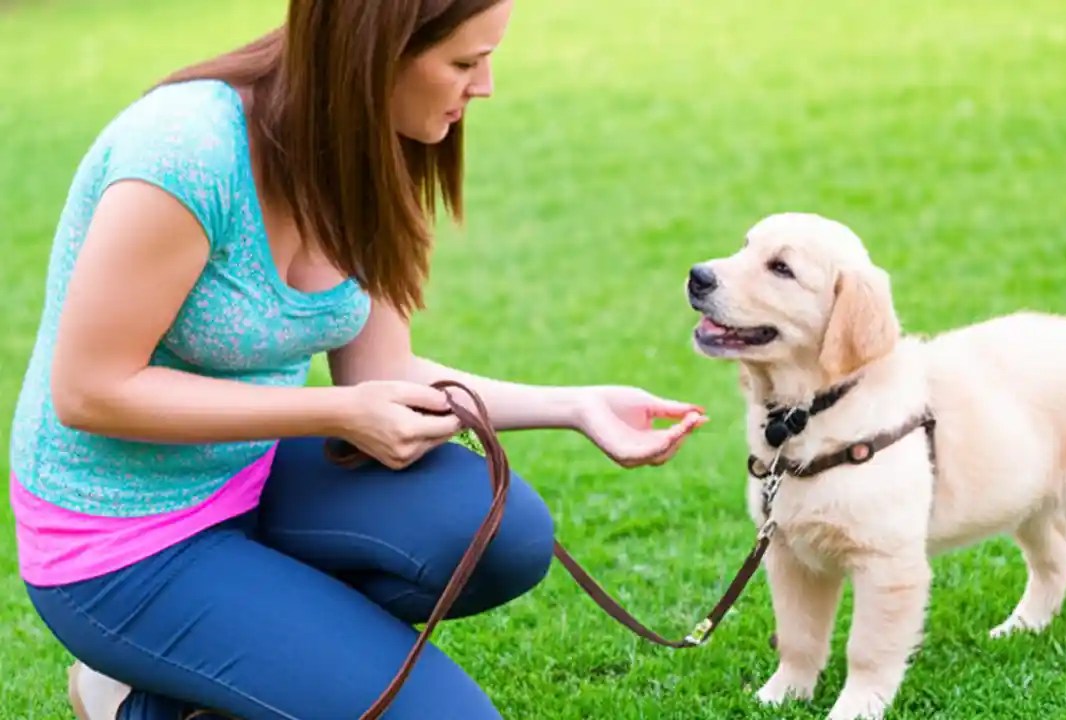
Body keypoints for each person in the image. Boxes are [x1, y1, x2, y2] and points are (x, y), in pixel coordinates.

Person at [7, 1, 707, 717]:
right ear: (377, 54)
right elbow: (91, 390)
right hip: (122, 541)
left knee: (504, 535)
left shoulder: (374, 148)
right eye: (465, 63)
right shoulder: (185, 152)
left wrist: (574, 406)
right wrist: (334, 411)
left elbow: (382, 379)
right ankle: (135, 685)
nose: (486, 85)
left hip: (247, 475)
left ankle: (205, 669)